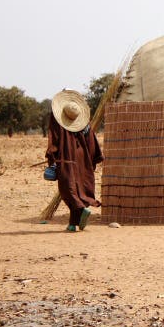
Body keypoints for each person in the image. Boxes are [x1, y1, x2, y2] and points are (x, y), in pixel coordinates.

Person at [45, 90, 104, 232]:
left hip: (66, 158)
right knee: (79, 188)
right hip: (82, 158)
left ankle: (81, 208)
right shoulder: (86, 125)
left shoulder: (56, 120)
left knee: (67, 189)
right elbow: (92, 143)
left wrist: (52, 157)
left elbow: (54, 139)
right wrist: (89, 160)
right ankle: (72, 224)